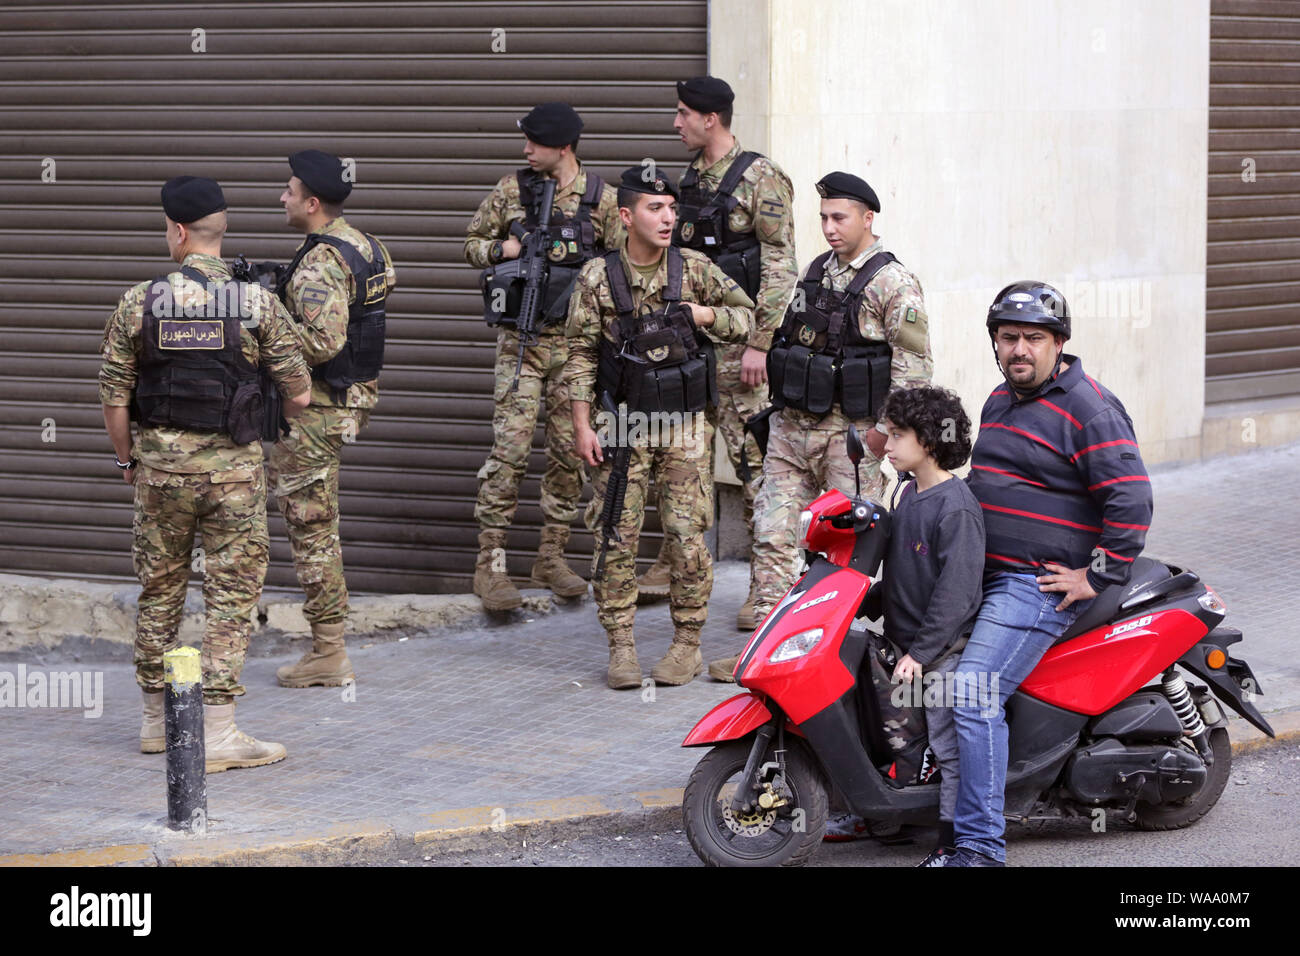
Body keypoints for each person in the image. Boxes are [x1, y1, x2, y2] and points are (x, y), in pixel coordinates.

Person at [99, 176, 312, 771]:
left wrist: (128, 459)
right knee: (230, 596)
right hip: (234, 480)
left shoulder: (138, 302)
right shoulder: (256, 303)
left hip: (159, 477)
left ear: (176, 231)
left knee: (160, 590)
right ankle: (216, 731)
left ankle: (152, 723)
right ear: (220, 233)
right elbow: (299, 395)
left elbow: (115, 400)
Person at [944, 281, 1153, 867]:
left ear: (1058, 343)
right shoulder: (998, 400)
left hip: (1036, 585)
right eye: (1008, 337)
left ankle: (982, 846)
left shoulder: (1088, 407)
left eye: (1034, 338)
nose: (1019, 349)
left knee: (971, 691)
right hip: (985, 575)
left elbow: (1132, 501)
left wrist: (1096, 576)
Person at [710, 171, 932, 681]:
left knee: (844, 554)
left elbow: (914, 370)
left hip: (849, 441)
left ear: (867, 218)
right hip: (791, 431)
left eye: (840, 217)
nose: (830, 228)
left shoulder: (892, 282)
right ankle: (763, 656)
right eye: (824, 218)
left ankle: (823, 657)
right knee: (771, 536)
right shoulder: (815, 272)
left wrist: (882, 434)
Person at [564, 166, 754, 688]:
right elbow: (577, 353)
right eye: (655, 208)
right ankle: (621, 647)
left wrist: (705, 316)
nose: (668, 217)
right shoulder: (597, 277)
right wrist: (582, 426)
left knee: (687, 536)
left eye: (672, 208)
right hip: (621, 423)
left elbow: (751, 318)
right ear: (626, 215)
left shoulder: (693, 268)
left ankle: (687, 645)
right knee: (615, 536)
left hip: (685, 424)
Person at [637, 76, 797, 631]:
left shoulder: (760, 177)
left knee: (756, 467)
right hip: (694, 345)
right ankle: (677, 567)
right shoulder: (689, 178)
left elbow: (779, 265)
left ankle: (766, 587)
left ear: (712, 119)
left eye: (683, 114)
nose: (675, 123)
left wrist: (760, 342)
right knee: (684, 460)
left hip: (740, 350)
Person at [465, 102, 623, 611]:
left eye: (535, 142)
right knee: (508, 454)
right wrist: (502, 252)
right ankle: (490, 565)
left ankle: (550, 556)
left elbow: (624, 266)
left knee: (567, 456)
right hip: (522, 345)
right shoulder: (512, 189)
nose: (526, 150)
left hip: (575, 350)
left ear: (564, 147)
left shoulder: (602, 201)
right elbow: (471, 243)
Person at [826, 387, 985, 862]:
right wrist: (848, 602)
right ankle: (882, 812)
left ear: (930, 443)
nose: (886, 445)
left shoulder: (955, 507)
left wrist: (921, 655)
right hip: (906, 643)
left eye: (897, 436)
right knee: (869, 716)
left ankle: (953, 842)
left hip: (943, 652)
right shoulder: (907, 492)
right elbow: (900, 576)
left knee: (946, 745)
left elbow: (954, 595)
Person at [272, 149, 397, 688]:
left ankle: (328, 651)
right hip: (352, 400)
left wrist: (267, 326)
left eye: (290, 191)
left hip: (322, 407)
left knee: (311, 525)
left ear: (313, 203)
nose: (282, 197)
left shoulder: (322, 260)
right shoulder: (366, 244)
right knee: (317, 518)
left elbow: (324, 340)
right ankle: (327, 646)